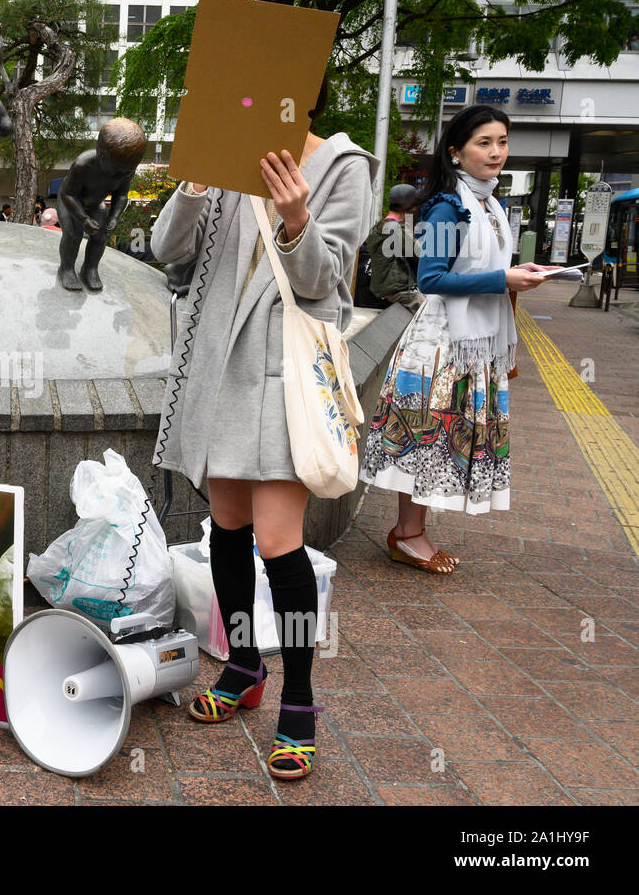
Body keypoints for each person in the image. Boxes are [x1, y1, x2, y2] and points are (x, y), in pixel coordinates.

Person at [150, 81, 378, 781]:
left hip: (282, 379)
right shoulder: (227, 157)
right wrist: (192, 185)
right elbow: (167, 252)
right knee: (225, 528)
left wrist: (296, 217)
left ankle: (301, 701)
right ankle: (244, 664)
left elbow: (326, 283)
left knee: (281, 545)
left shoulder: (345, 165)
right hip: (219, 372)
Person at [360, 105, 554, 572]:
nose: (496, 152)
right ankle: (408, 534)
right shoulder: (449, 204)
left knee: (440, 436)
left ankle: (409, 532)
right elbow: (433, 279)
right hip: (443, 344)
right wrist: (503, 278)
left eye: (502, 142)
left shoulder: (488, 203)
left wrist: (512, 275)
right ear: (456, 152)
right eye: (484, 143)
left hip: (471, 340)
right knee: (430, 436)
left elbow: (481, 269)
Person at [367, 183, 425, 312]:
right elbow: (421, 255)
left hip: (386, 290)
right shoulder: (396, 229)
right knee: (430, 314)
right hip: (401, 291)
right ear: (411, 206)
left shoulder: (380, 227)